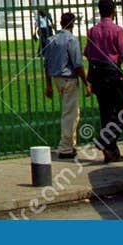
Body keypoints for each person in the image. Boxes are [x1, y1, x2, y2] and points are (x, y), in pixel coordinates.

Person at [85, 0, 123, 162]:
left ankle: (111, 152)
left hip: (97, 74)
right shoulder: (116, 30)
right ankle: (105, 141)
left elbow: (87, 53)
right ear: (113, 12)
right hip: (112, 73)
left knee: (106, 112)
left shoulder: (92, 31)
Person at [42, 12, 89, 159]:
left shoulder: (51, 39)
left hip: (56, 79)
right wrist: (86, 82)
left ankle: (71, 144)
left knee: (72, 112)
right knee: (70, 113)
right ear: (73, 24)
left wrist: (48, 85)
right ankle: (65, 148)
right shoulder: (71, 40)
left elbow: (46, 65)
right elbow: (78, 64)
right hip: (69, 79)